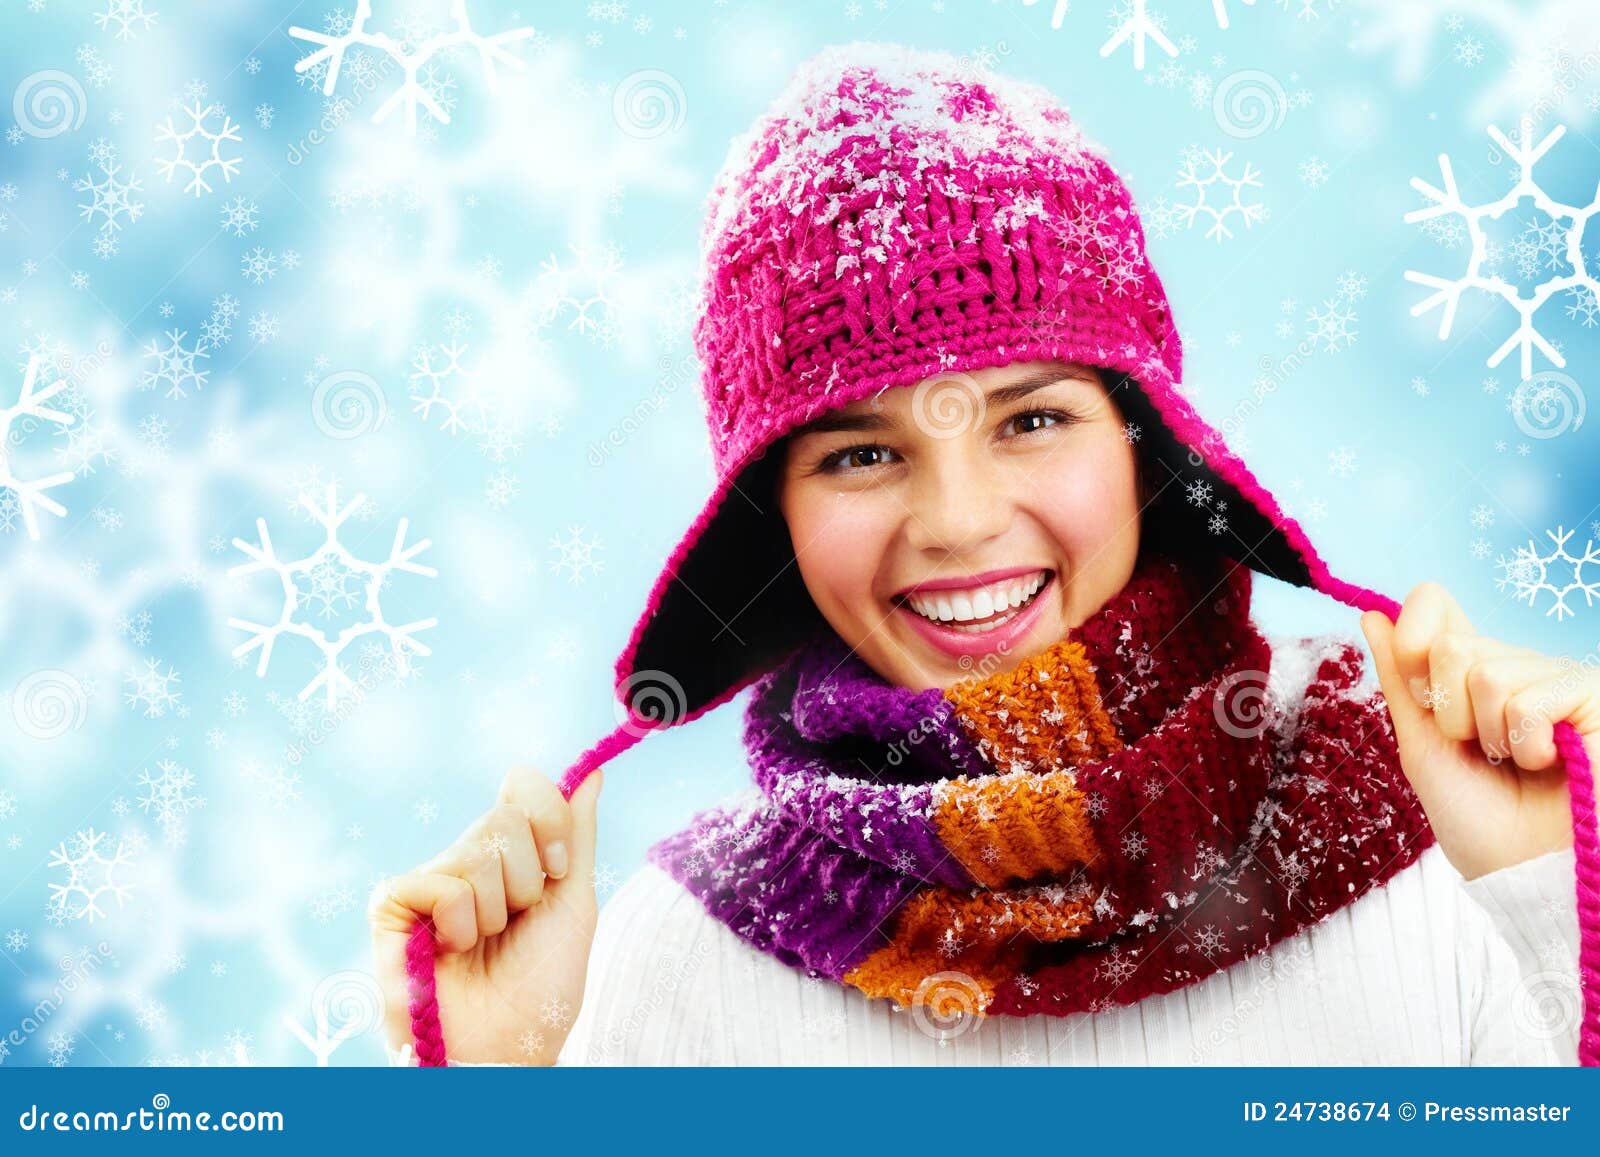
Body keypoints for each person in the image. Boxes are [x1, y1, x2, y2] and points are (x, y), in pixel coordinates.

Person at [372, 42, 1599, 1066]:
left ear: (1146, 445)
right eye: (859, 453)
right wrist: (502, 1092)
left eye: (1031, 419)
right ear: (773, 519)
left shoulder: (1428, 823)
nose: (956, 519)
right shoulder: (669, 961)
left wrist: (1561, 902)